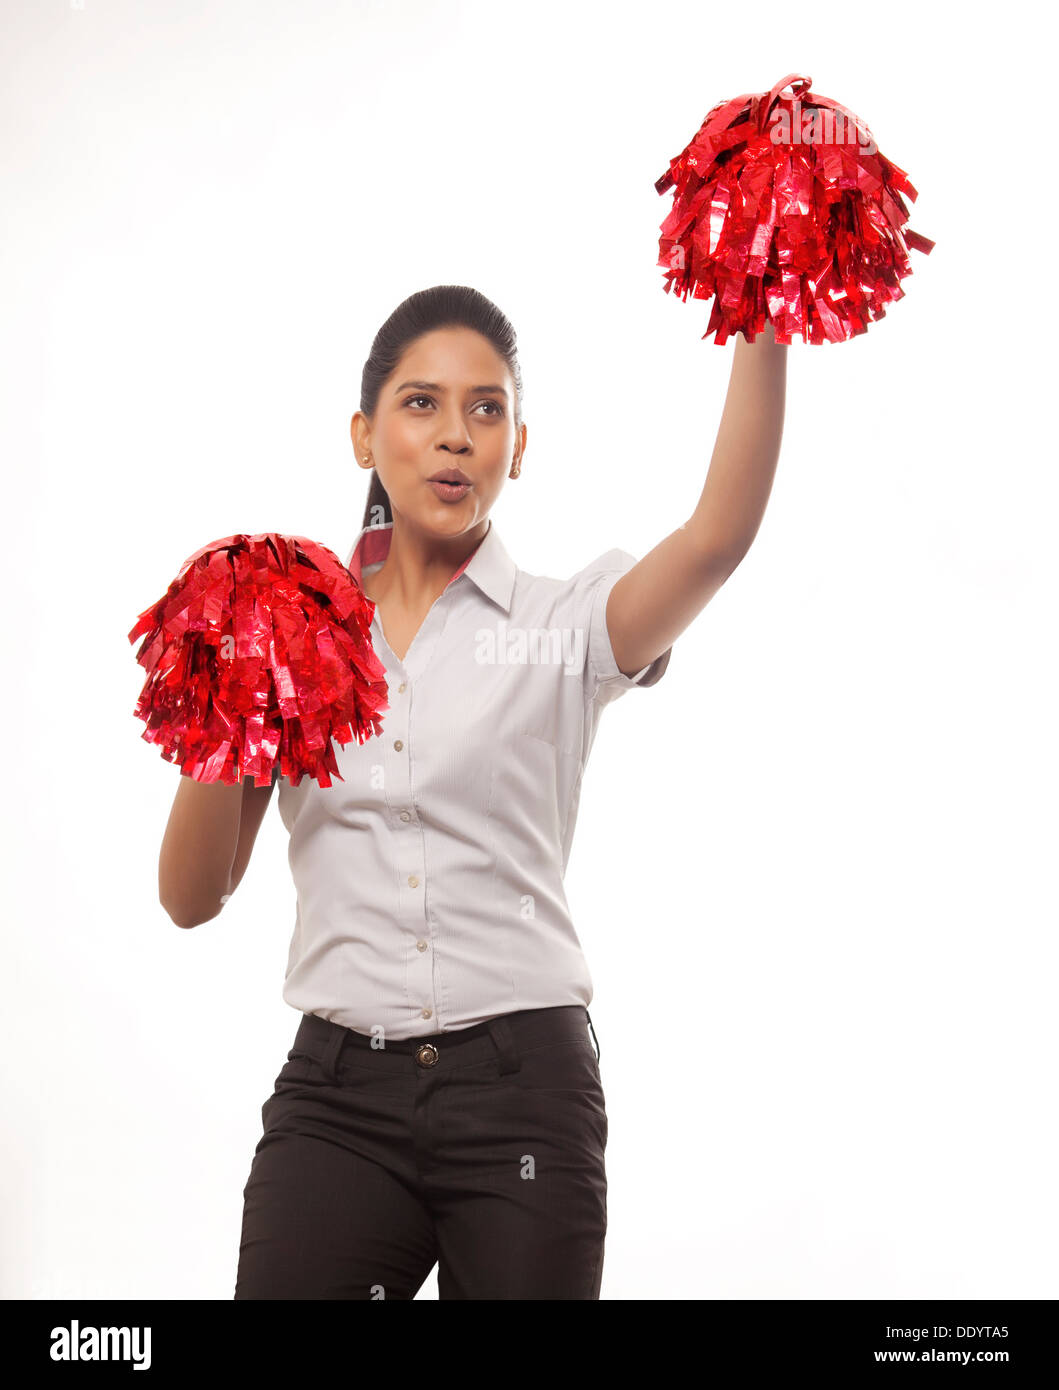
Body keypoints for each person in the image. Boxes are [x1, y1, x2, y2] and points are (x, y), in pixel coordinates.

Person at [158, 284, 787, 1299]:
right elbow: (191, 897)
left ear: (519, 445)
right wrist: (232, 693)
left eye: (486, 409)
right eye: (421, 404)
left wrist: (763, 304)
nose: (455, 435)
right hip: (336, 1103)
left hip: (523, 1092)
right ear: (363, 434)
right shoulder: (293, 638)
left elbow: (715, 538)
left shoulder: (566, 623)